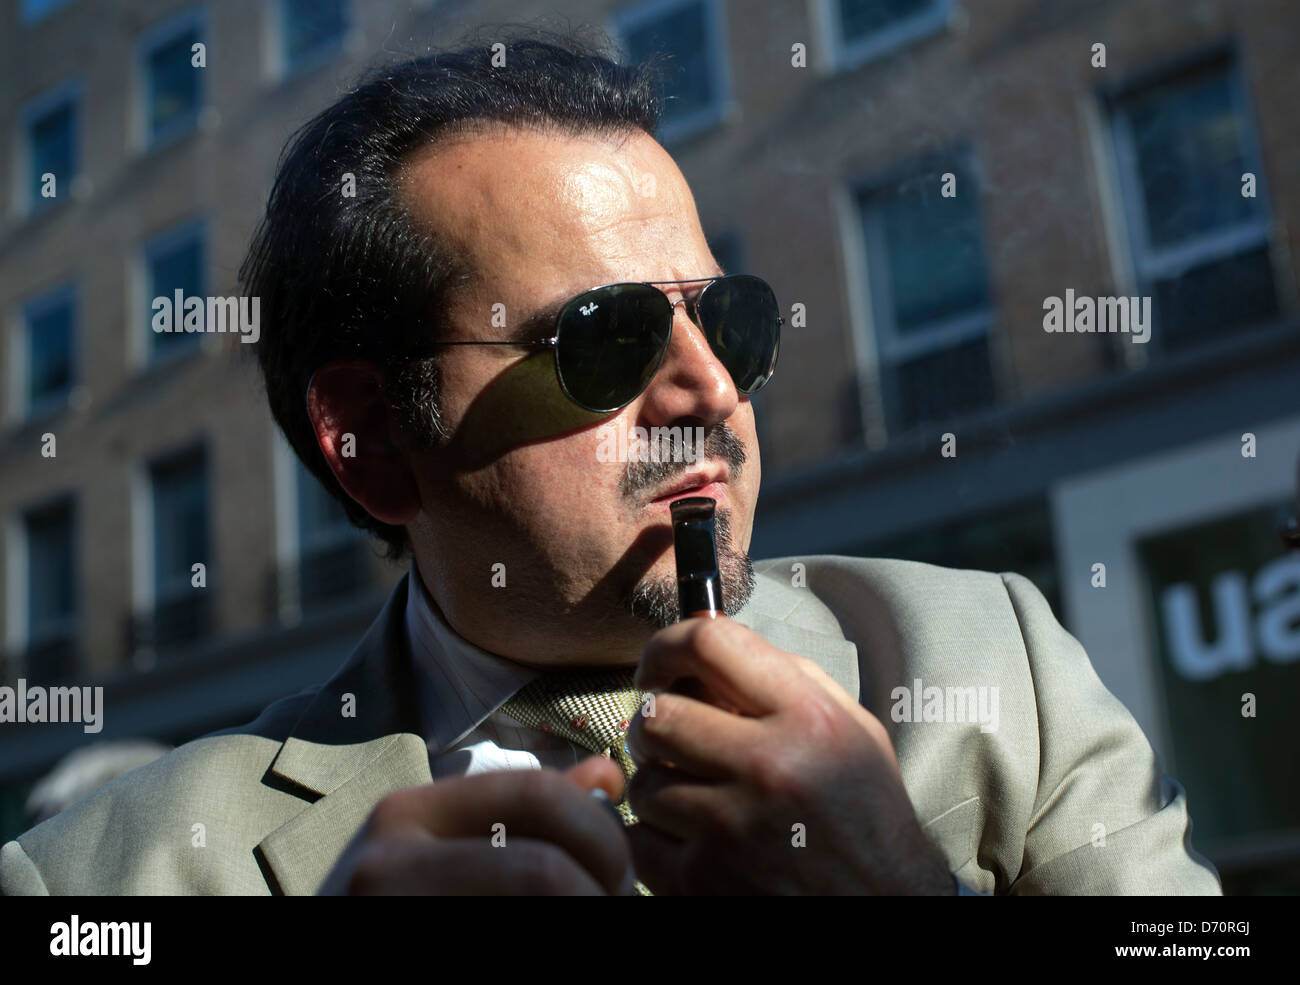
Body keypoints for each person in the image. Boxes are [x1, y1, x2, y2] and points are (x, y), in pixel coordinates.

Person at [0, 33, 1220, 896]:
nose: (711, 393)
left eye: (724, 321)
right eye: (609, 339)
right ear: (371, 443)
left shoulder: (992, 663)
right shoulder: (101, 877)